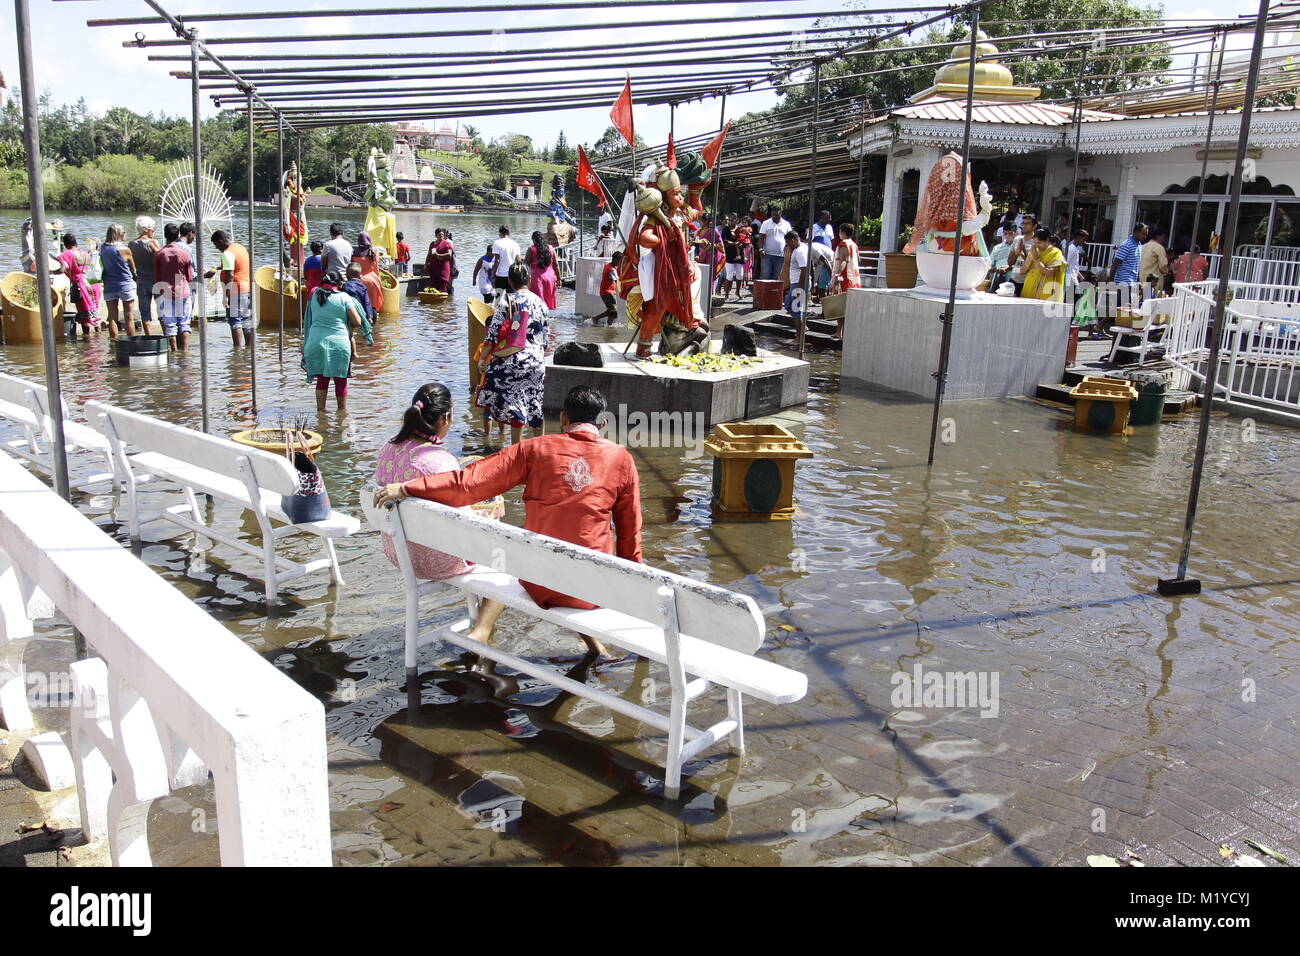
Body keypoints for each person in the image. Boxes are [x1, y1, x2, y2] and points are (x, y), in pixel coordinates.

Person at [373, 384, 642, 657]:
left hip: (540, 584)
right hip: (592, 592)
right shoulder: (621, 458)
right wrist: (630, 589)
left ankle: (483, 632)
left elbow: (468, 484)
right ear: (604, 424)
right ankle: (596, 651)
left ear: (563, 419)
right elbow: (630, 532)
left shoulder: (534, 449)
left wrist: (408, 487)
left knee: (516, 550)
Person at [476, 262, 548, 445]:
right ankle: (539, 449)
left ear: (509, 280)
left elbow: (493, 336)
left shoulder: (507, 300)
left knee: (516, 409)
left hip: (514, 362)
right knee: (535, 405)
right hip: (537, 363)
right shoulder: (541, 303)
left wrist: (482, 359)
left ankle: (517, 452)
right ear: (529, 280)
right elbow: (545, 339)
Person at [302, 269, 371, 413]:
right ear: (339, 284)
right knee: (340, 380)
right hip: (338, 344)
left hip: (315, 343)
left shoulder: (314, 295)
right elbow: (357, 322)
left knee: (322, 380)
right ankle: (342, 416)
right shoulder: (344, 297)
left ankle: (321, 414)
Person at [153, 222, 194, 352]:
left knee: (170, 325)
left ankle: (174, 352)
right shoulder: (184, 254)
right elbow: (189, 276)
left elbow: (157, 276)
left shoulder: (159, 254)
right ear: (178, 235)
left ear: (165, 235)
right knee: (184, 324)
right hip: (183, 291)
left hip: (166, 291)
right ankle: (185, 352)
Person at [209, 230, 251, 347]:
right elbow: (238, 265)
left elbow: (230, 276)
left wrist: (226, 296)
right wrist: (219, 267)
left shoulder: (227, 253)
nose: (217, 248)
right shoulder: (240, 247)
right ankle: (249, 348)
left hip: (235, 290)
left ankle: (236, 351)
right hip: (247, 289)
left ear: (221, 241)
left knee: (235, 322)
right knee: (246, 321)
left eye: (216, 245)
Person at [58, 233, 101, 339]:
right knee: (94, 312)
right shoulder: (85, 253)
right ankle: (98, 338)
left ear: (65, 243)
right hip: (93, 284)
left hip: (81, 286)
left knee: (83, 315)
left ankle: (86, 341)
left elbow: (62, 267)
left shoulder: (67, 254)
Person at [99, 224, 138, 339]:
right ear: (120, 234)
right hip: (125, 284)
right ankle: (132, 341)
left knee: (112, 316)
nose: (125, 234)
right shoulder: (124, 249)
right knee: (129, 316)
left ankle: (114, 343)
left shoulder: (102, 248)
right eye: (124, 232)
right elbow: (133, 269)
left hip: (109, 285)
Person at [829, 222, 862, 339]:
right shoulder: (854, 245)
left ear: (842, 233)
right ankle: (844, 332)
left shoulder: (843, 244)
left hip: (844, 278)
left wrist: (837, 275)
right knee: (847, 306)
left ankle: (839, 331)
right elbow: (858, 259)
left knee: (840, 305)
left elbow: (842, 261)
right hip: (854, 278)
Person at [129, 216, 160, 331]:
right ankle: (168, 338)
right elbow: (163, 258)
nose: (154, 231)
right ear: (146, 229)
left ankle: (149, 337)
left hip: (141, 281)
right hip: (156, 281)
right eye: (153, 229)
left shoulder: (132, 244)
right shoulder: (152, 242)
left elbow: (130, 264)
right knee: (162, 311)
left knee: (145, 313)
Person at [1020, 228, 1066, 302]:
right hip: (1029, 291)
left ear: (1047, 241)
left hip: (1046, 294)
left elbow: (1049, 273)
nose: (1037, 245)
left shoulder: (1056, 253)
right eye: (1034, 243)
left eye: (1039, 243)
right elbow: (1022, 272)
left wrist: (1036, 259)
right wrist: (1029, 258)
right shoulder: (1034, 251)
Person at [1007, 213, 1038, 297]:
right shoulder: (1017, 239)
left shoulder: (1037, 242)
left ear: (1034, 226)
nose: (1024, 226)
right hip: (1014, 279)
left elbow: (1035, 264)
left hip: (1028, 281)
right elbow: (1010, 263)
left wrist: (1022, 252)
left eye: (1027, 224)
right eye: (1023, 223)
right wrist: (1017, 254)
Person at [525, 230, 558, 310]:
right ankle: (548, 319)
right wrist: (559, 278)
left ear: (533, 240)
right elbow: (556, 265)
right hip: (550, 278)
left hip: (537, 278)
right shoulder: (551, 248)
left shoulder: (532, 249)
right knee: (548, 301)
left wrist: (525, 280)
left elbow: (526, 265)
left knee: (537, 302)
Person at [780, 230, 808, 321]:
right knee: (788, 305)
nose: (788, 246)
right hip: (795, 283)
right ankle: (801, 328)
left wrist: (799, 289)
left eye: (788, 243)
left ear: (793, 240)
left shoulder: (800, 251)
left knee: (795, 309)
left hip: (799, 284)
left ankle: (799, 333)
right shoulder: (799, 248)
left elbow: (804, 270)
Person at [759, 206, 792, 280]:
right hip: (767, 255)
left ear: (781, 214)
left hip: (781, 256)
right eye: (773, 215)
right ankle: (765, 292)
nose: (774, 217)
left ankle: (773, 292)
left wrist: (788, 252)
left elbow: (790, 238)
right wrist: (761, 249)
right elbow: (761, 237)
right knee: (765, 276)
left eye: (776, 215)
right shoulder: (766, 223)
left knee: (777, 277)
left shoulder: (786, 224)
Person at [695, 215, 725, 292]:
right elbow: (695, 240)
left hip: (712, 256)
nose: (699, 222)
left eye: (701, 220)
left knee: (712, 276)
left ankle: (711, 294)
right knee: (702, 275)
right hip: (702, 255)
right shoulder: (700, 231)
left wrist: (711, 245)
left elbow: (720, 245)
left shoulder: (714, 231)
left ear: (706, 221)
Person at [490, 225, 521, 295]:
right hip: (511, 275)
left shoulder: (497, 243)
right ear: (509, 233)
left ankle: (499, 306)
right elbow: (518, 261)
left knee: (498, 298)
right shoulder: (515, 244)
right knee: (511, 299)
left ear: (500, 233)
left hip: (500, 275)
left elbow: (497, 261)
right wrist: (516, 274)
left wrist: (493, 275)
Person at [1139, 226, 1169, 297]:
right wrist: (1167, 270)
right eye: (1163, 237)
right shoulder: (1159, 248)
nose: (1164, 240)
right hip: (1153, 282)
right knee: (1152, 304)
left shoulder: (1143, 246)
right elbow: (1163, 266)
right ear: (1159, 236)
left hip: (1141, 280)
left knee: (1141, 304)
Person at [720, 214, 744, 301]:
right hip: (729, 254)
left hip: (739, 255)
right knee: (729, 275)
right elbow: (724, 241)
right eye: (729, 220)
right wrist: (734, 244)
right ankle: (726, 293)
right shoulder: (726, 229)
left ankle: (738, 291)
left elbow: (745, 239)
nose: (730, 221)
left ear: (737, 220)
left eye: (733, 219)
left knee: (740, 275)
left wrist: (742, 244)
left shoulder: (740, 229)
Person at [594, 250, 622, 324]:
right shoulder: (611, 269)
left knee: (611, 310)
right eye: (620, 261)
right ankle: (608, 326)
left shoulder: (608, 265)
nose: (621, 263)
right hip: (607, 292)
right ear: (616, 260)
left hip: (607, 292)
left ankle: (598, 319)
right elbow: (616, 281)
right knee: (614, 312)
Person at [425, 228, 454, 293]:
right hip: (433, 268)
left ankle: (443, 301)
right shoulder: (432, 244)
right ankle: (435, 303)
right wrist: (426, 264)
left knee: (443, 287)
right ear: (436, 235)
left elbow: (449, 255)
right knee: (434, 287)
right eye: (439, 235)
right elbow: (429, 254)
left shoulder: (447, 243)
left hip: (443, 269)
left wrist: (438, 255)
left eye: (442, 235)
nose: (441, 236)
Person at [988, 223, 1017, 288]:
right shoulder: (997, 248)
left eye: (1010, 233)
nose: (1007, 236)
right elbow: (989, 267)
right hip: (998, 280)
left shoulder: (1018, 248)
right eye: (1005, 233)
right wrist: (997, 268)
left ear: (1015, 233)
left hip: (1013, 282)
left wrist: (1009, 268)